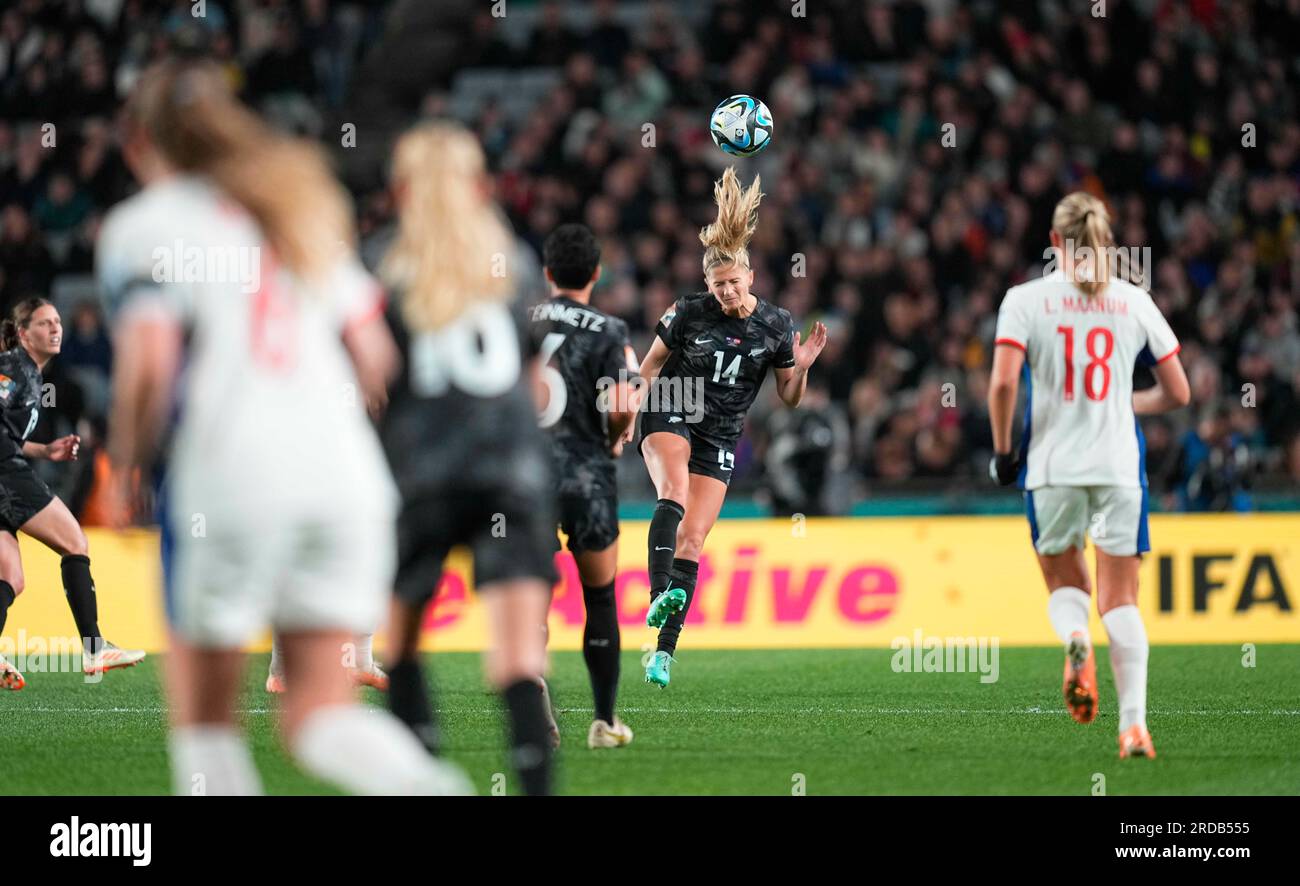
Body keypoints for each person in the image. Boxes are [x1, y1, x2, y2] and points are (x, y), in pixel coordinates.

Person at [101, 58, 467, 795]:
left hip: (229, 479)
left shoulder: (147, 226)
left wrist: (125, 465)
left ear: (138, 140)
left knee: (206, 729)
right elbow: (377, 355)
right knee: (319, 717)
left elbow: (147, 361)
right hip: (345, 484)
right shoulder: (297, 211)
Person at [379, 122, 559, 796]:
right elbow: (537, 380)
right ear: (481, 187)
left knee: (399, 649)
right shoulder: (509, 264)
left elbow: (373, 378)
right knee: (517, 661)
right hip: (512, 475)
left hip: (423, 475)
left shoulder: (386, 267)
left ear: (401, 192)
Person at [988, 191, 1190, 760]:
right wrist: (1127, 403)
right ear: (1108, 242)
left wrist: (1005, 452)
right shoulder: (1133, 301)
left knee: (1065, 587)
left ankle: (1076, 641)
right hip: (1119, 469)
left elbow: (1003, 384)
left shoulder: (1025, 301)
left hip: (1051, 469)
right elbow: (1180, 392)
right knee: (1121, 599)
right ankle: (1133, 729)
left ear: (1055, 242)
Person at [636, 167, 828, 687]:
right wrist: (635, 403)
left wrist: (803, 365)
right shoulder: (688, 313)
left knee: (694, 540)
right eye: (717, 284)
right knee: (672, 492)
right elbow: (651, 363)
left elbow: (788, 399)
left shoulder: (777, 326)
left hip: (721, 432)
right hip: (673, 407)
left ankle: (663, 653)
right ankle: (657, 594)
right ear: (706, 284)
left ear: (751, 278)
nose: (725, 292)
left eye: (732, 283)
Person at [0, 297, 146, 690]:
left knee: (10, 575)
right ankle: (95, 647)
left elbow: (9, 435)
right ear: (22, 333)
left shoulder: (31, 376)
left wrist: (45, 450)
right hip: (4, 476)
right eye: (45, 323)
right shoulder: (13, 368)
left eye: (58, 322)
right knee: (75, 541)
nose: (56, 329)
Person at [530, 223, 638, 748]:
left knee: (528, 600)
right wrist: (615, 440)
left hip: (522, 479)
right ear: (597, 273)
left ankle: (539, 717)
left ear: (546, 273)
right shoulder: (608, 330)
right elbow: (621, 403)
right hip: (585, 475)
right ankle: (604, 722)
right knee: (599, 598)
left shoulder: (517, 321)